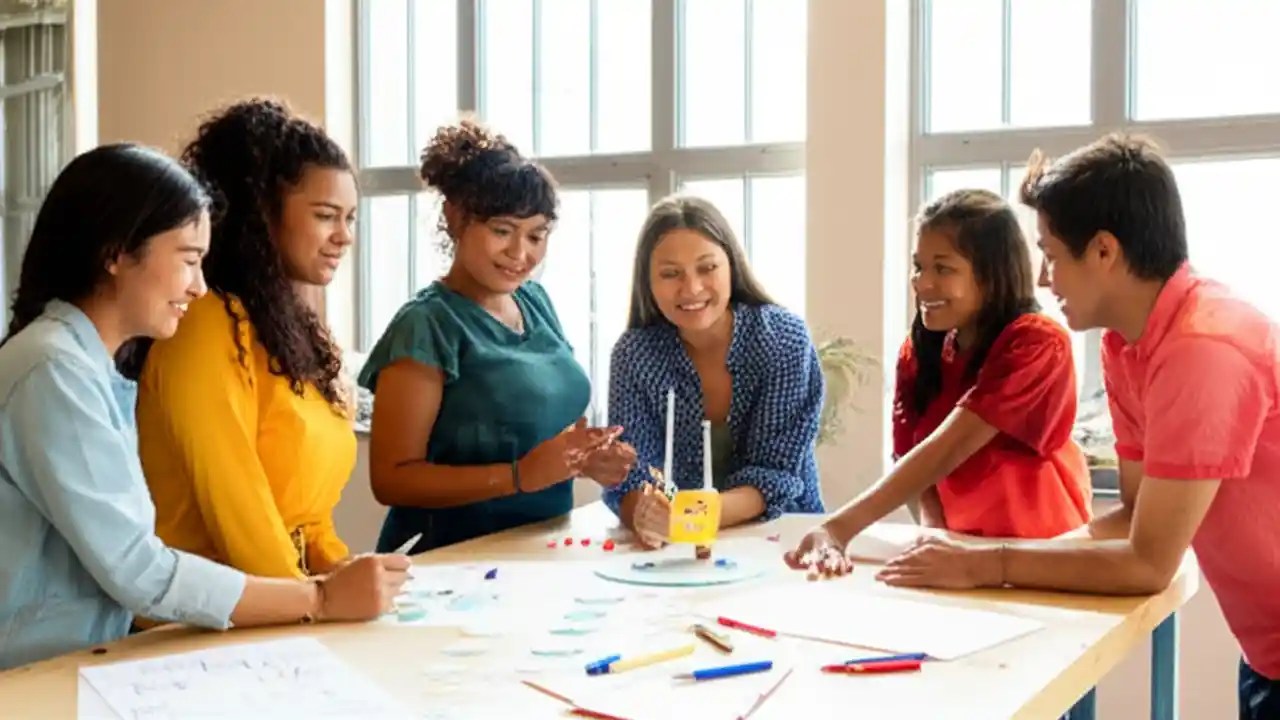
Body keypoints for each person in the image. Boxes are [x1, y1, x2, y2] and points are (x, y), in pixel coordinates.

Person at [871, 134, 1280, 719]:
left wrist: (988, 565)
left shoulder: (1202, 348)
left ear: (1105, 251)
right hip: (1264, 652)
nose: (1043, 278)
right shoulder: (1126, 344)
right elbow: (1133, 512)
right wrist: (981, 564)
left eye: (1052, 253)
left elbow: (1148, 563)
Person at [0, 143, 407, 670]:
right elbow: (138, 571)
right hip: (30, 675)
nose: (198, 287)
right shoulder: (54, 368)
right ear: (116, 253)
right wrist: (319, 599)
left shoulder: (86, 363)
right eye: (189, 261)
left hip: (80, 659)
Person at [784, 189, 1091, 574]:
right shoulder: (918, 354)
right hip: (964, 555)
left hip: (1040, 556)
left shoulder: (1037, 342)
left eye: (943, 269)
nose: (922, 283)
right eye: (918, 267)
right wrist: (935, 536)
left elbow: (947, 448)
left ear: (992, 273)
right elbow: (914, 464)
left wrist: (838, 528)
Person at [358, 119, 622, 554]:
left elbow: (542, 427)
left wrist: (586, 459)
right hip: (449, 559)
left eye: (536, 235)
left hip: (538, 549)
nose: (521, 254)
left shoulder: (535, 301)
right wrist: (518, 476)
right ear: (455, 218)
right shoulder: (426, 325)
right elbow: (391, 479)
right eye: (502, 231)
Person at [127, 98, 360, 580]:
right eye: (325, 215)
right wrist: (317, 601)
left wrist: (343, 570)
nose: (345, 236)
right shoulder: (203, 326)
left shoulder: (285, 328)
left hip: (285, 598)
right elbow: (239, 516)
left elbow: (309, 517)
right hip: (206, 611)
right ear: (262, 213)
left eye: (350, 218)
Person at [597, 195, 826, 549]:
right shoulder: (634, 355)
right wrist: (644, 516)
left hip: (784, 540)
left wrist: (691, 517)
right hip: (675, 553)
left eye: (707, 268)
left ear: (731, 265)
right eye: (670, 274)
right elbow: (631, 477)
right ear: (648, 281)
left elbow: (776, 474)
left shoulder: (783, 339)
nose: (691, 288)